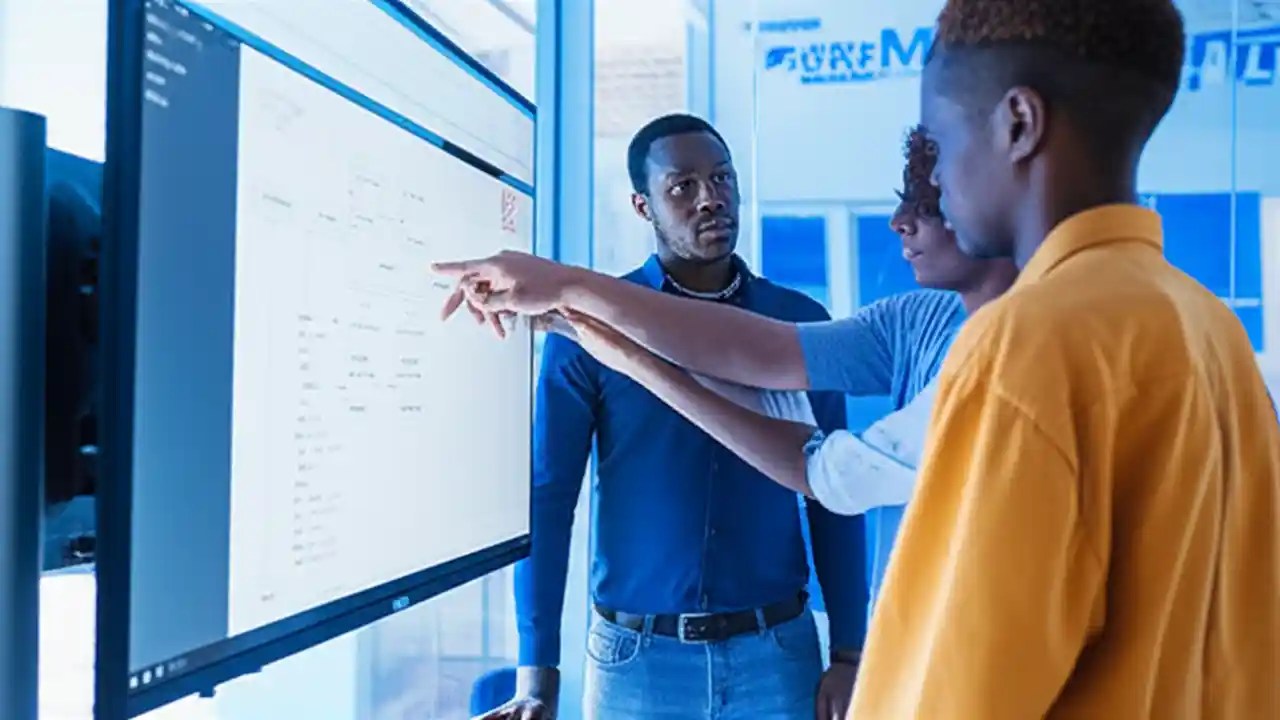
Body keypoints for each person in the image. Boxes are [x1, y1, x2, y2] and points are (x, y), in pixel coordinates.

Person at [847, 0, 1275, 716]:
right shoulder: (1213, 330)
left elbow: (957, 694)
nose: (941, 183)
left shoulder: (1024, 343)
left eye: (945, 142)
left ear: (1019, 122)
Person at [436, 126, 1017, 613]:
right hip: (636, 649)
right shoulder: (917, 318)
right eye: (682, 186)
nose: (898, 220)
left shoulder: (1008, 363)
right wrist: (575, 301)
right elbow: (751, 350)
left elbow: (820, 474)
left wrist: (601, 325)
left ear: (990, 204)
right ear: (645, 206)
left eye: (928, 200)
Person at [477, 114, 868, 720]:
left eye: (722, 179)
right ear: (643, 206)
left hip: (779, 658)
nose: (710, 198)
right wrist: (537, 675)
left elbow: (836, 495)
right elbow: (549, 501)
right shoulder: (586, 332)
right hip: (637, 666)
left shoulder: (797, 325)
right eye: (682, 187)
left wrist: (849, 651)